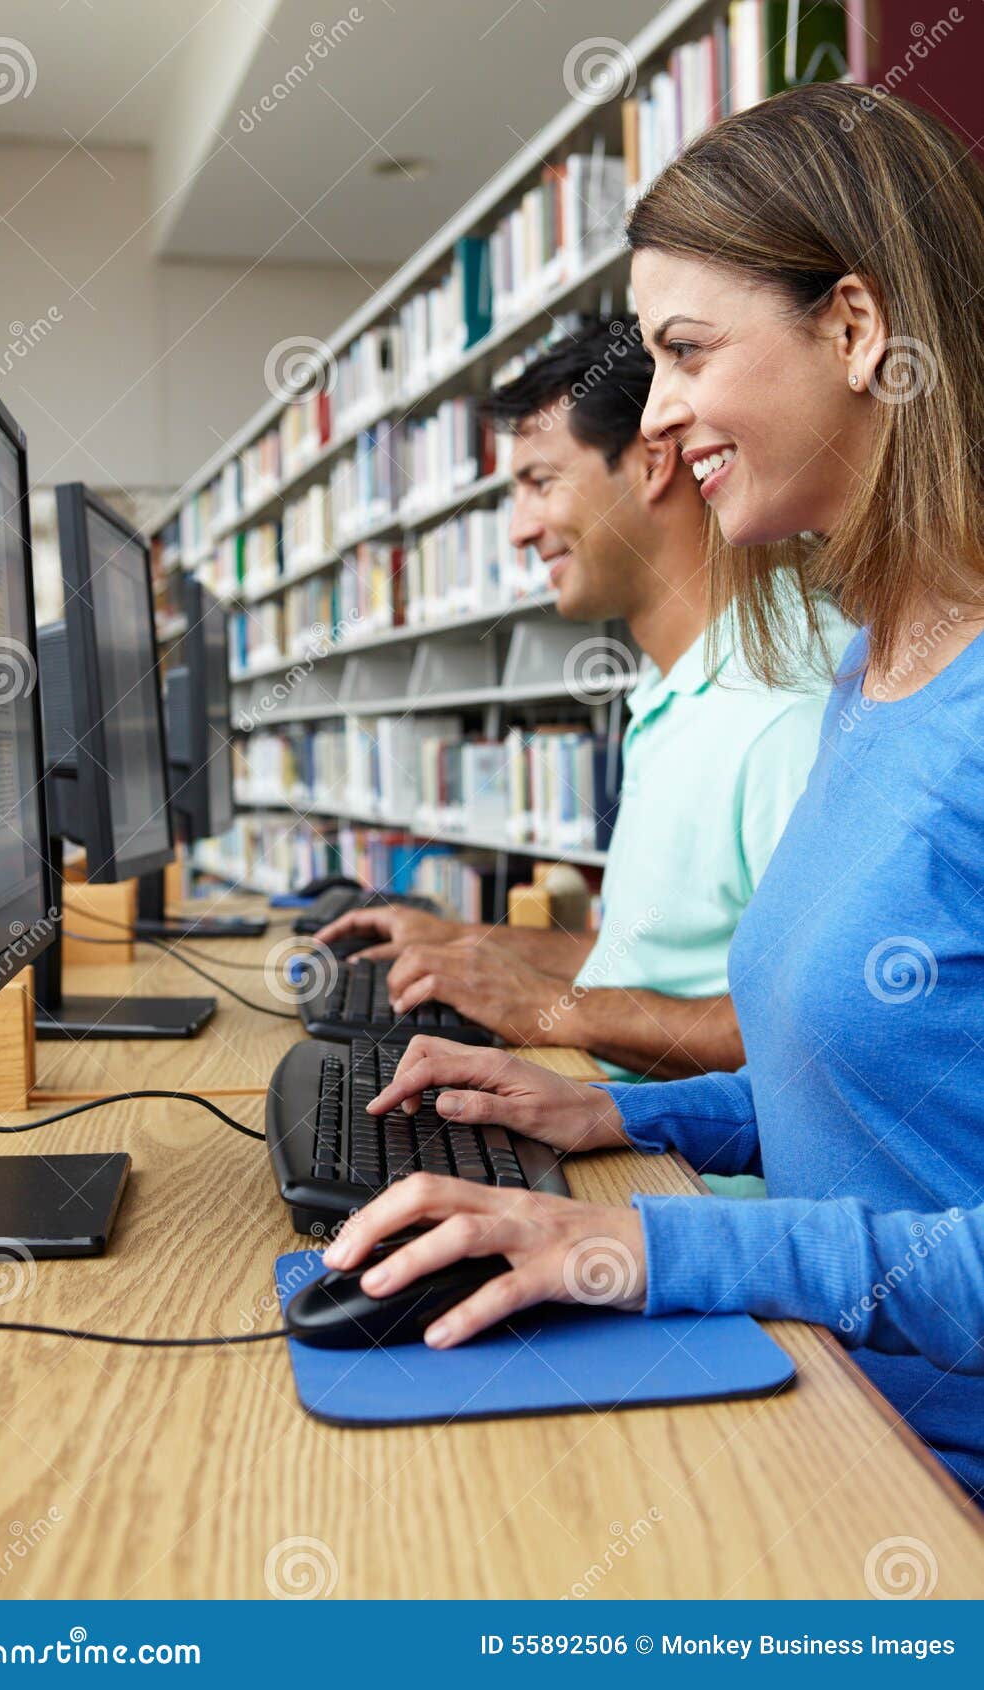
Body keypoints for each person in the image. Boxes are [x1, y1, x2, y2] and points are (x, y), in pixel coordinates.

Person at [323, 83, 984, 1501]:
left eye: (685, 351)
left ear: (857, 332)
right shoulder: (872, 664)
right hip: (823, 1393)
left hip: (926, 1481)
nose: (661, 416)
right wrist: (618, 1120)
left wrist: (647, 1245)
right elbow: (868, 1099)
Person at [317, 320, 848, 1082]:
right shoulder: (670, 689)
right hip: (633, 1131)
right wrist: (466, 948)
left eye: (539, 482)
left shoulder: (787, 702)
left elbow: (814, 1034)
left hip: (709, 1184)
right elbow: (657, 965)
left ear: (654, 460)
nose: (519, 531)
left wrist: (545, 1012)